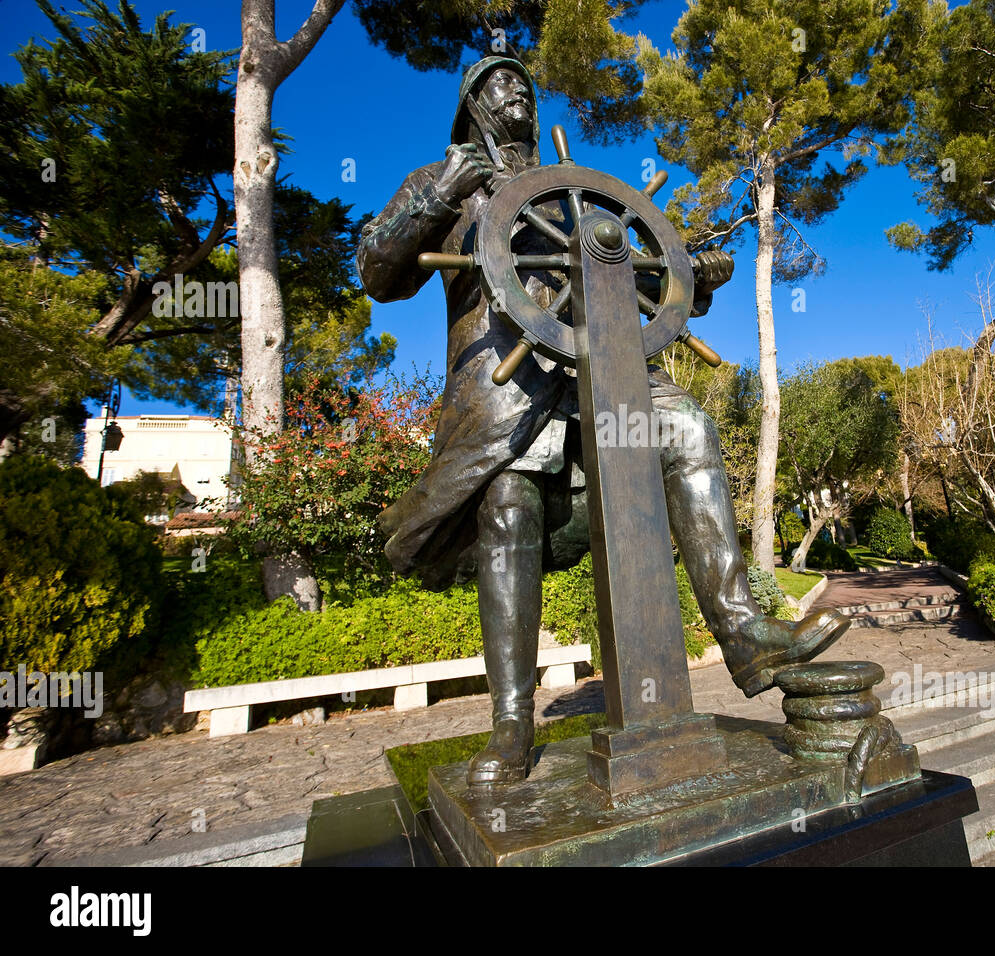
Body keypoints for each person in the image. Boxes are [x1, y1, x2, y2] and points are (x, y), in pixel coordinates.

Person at [356, 57, 849, 785]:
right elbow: (377, 270)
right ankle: (513, 724)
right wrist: (437, 195)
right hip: (505, 388)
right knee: (510, 506)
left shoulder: (572, 199)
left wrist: (690, 277)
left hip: (601, 371)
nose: (515, 88)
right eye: (497, 81)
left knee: (686, 428)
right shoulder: (444, 177)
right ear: (469, 103)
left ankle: (747, 635)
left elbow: (629, 273)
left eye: (523, 78)